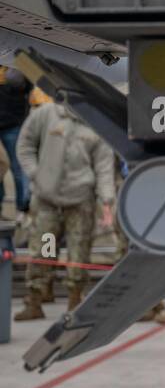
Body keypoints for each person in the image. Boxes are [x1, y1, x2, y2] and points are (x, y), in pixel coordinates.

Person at [13, 101, 115, 320]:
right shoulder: (46, 115)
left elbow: (104, 166)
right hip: (47, 202)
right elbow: (25, 145)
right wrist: (35, 174)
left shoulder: (96, 123)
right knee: (44, 250)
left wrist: (107, 201)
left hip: (80, 202)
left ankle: (74, 300)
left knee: (78, 253)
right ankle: (37, 299)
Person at [0, 64, 32, 218]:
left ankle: (23, 207)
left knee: (18, 168)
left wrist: (15, 74)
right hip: (10, 122)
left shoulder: (14, 64)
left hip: (12, 124)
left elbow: (28, 84)